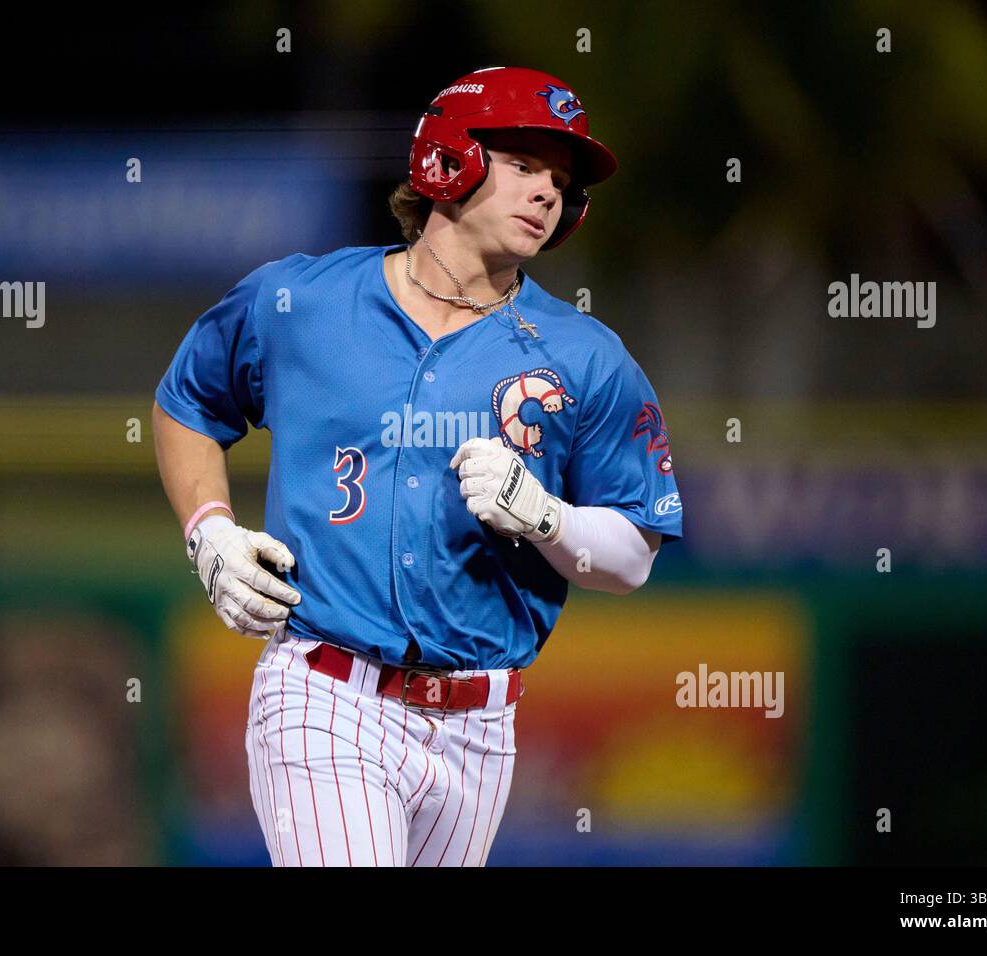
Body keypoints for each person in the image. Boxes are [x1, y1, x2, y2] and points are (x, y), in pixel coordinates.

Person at [151, 66, 683, 867]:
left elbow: (633, 557)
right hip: (325, 689)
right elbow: (187, 405)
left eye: (561, 181)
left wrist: (547, 516)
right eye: (524, 164)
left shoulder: (586, 358)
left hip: (480, 727)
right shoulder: (301, 302)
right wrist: (209, 532)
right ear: (449, 157)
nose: (547, 193)